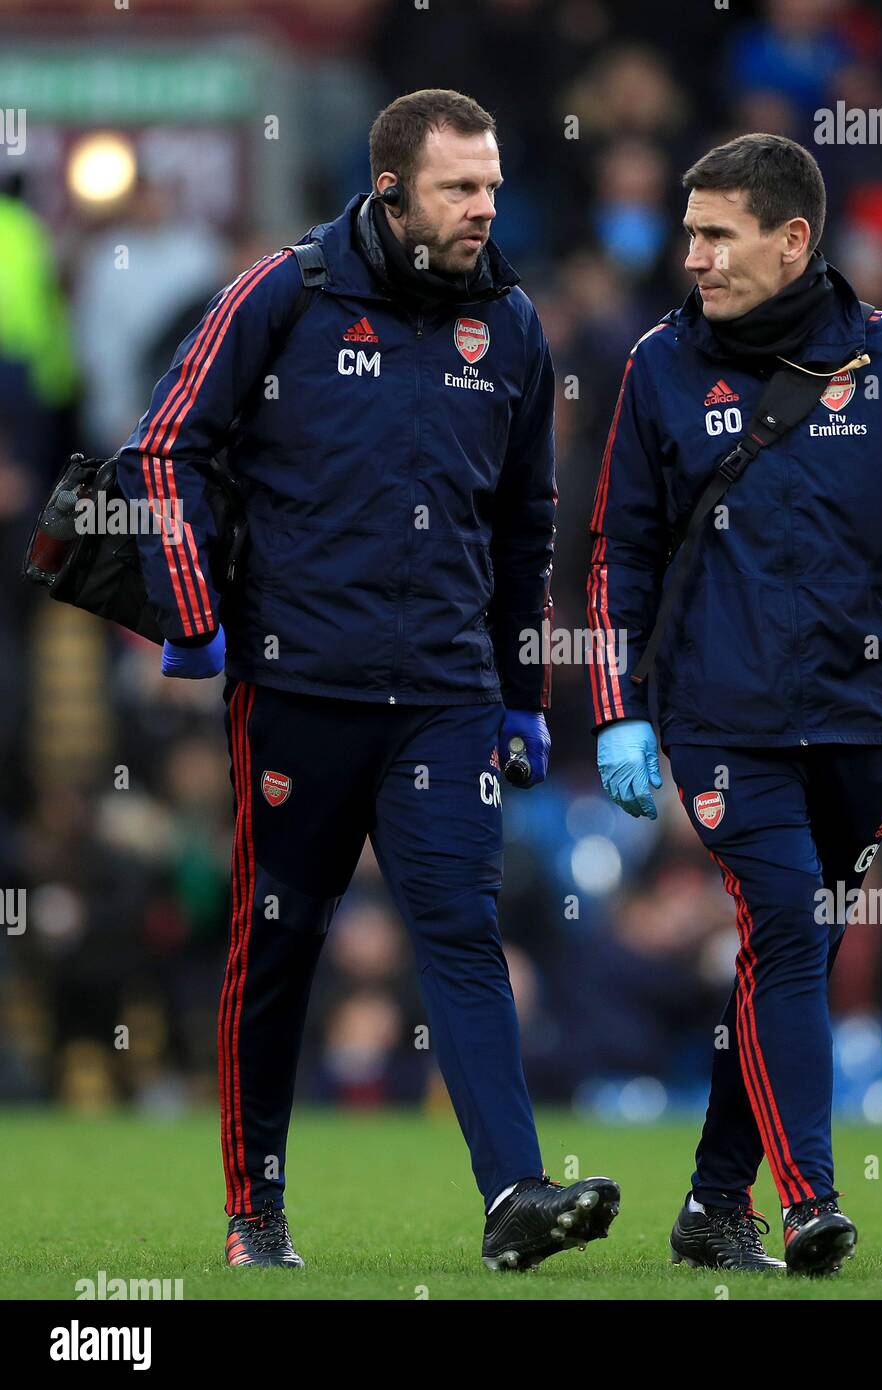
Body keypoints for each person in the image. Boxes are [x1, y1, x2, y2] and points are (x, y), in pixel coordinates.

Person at [117, 88, 619, 1272]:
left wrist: (518, 697)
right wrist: (192, 612)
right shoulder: (283, 292)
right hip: (301, 688)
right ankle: (257, 1214)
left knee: (462, 931)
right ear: (390, 190)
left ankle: (513, 1196)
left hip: (441, 696)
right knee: (279, 945)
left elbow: (526, 522)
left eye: (492, 185)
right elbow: (165, 441)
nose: (483, 208)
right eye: (459, 187)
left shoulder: (512, 324)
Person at [587, 133, 882, 1275]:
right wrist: (620, 707)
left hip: (858, 721)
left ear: (792, 240)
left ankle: (710, 1204)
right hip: (723, 721)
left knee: (790, 954)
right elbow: (614, 554)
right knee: (784, 927)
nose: (694, 257)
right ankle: (809, 1201)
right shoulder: (658, 367)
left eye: (717, 234)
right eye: (689, 233)